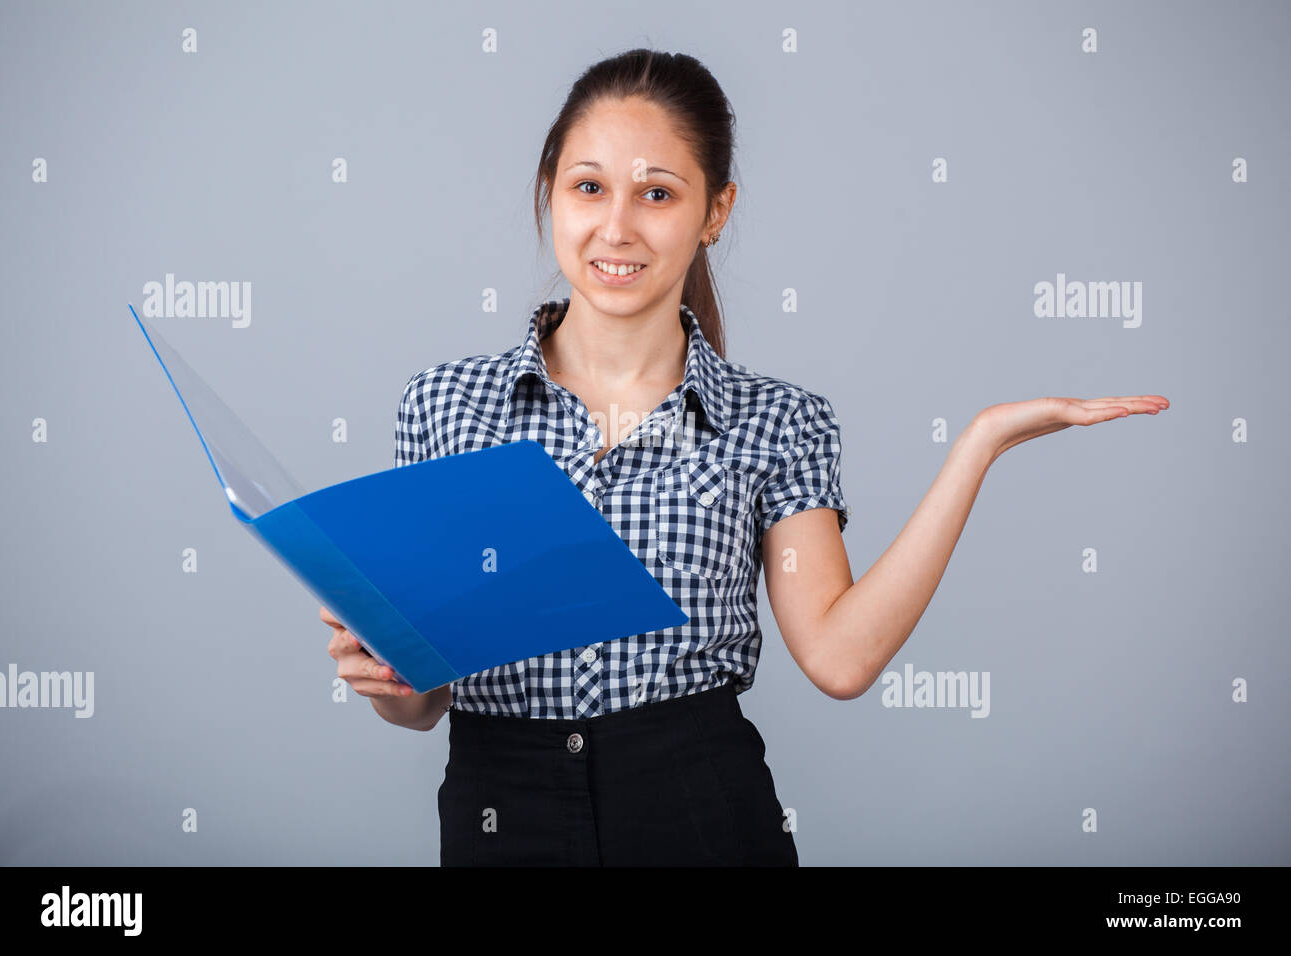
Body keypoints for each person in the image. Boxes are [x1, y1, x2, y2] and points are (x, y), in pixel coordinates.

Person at [321, 48, 1168, 867]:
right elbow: (426, 701)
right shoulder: (443, 406)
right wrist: (392, 678)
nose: (616, 226)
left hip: (700, 812)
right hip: (498, 815)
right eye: (588, 188)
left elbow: (840, 659)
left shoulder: (779, 422)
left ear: (715, 212)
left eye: (657, 193)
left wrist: (979, 444)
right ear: (551, 195)